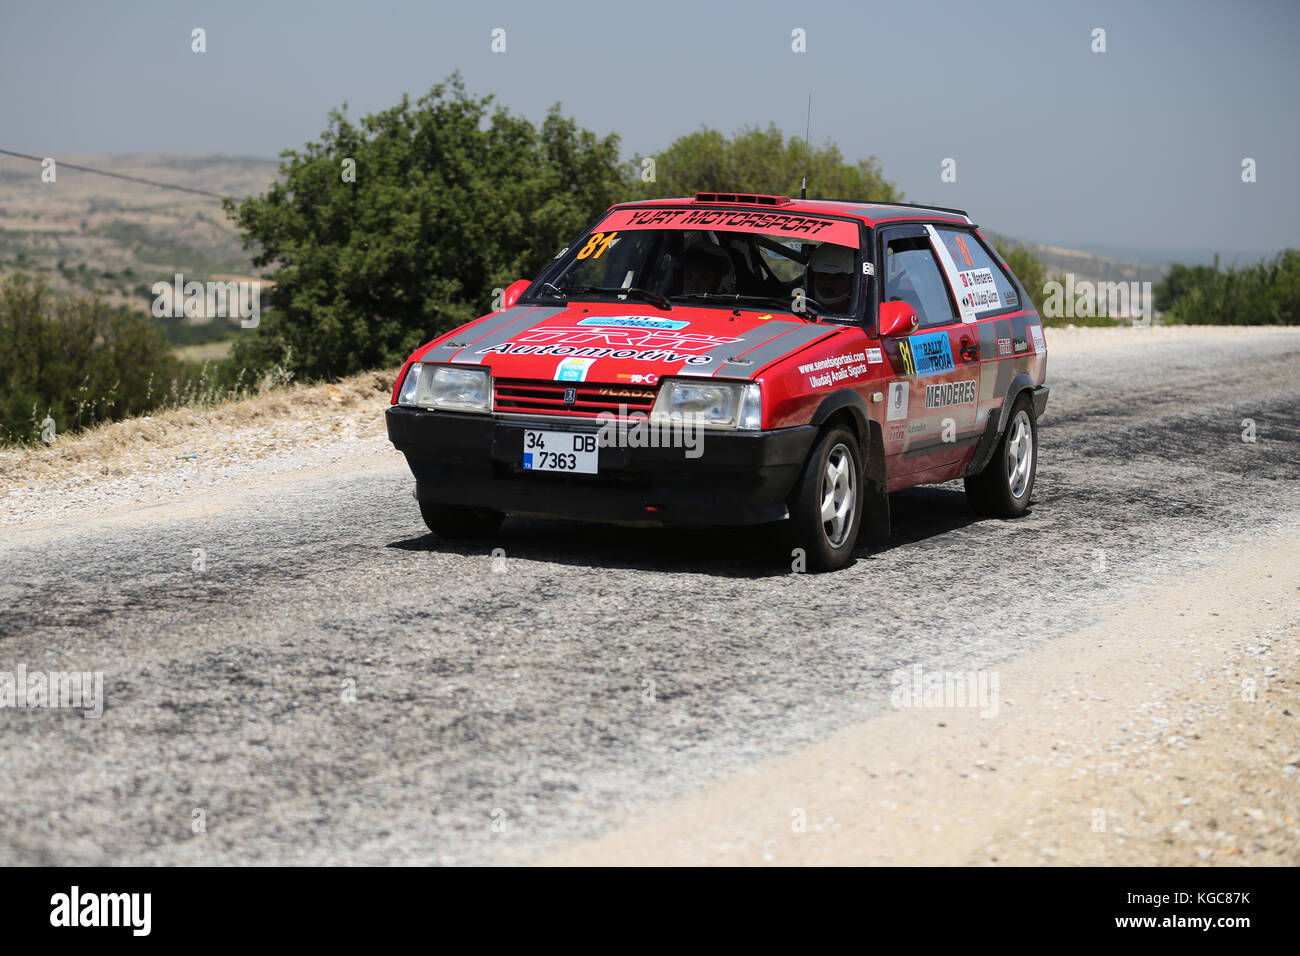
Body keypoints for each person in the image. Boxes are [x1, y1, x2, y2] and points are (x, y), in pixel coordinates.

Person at [805, 242, 855, 313]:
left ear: (853, 281)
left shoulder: (864, 313)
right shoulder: (797, 300)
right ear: (812, 277)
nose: (829, 281)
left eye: (839, 277)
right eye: (824, 274)